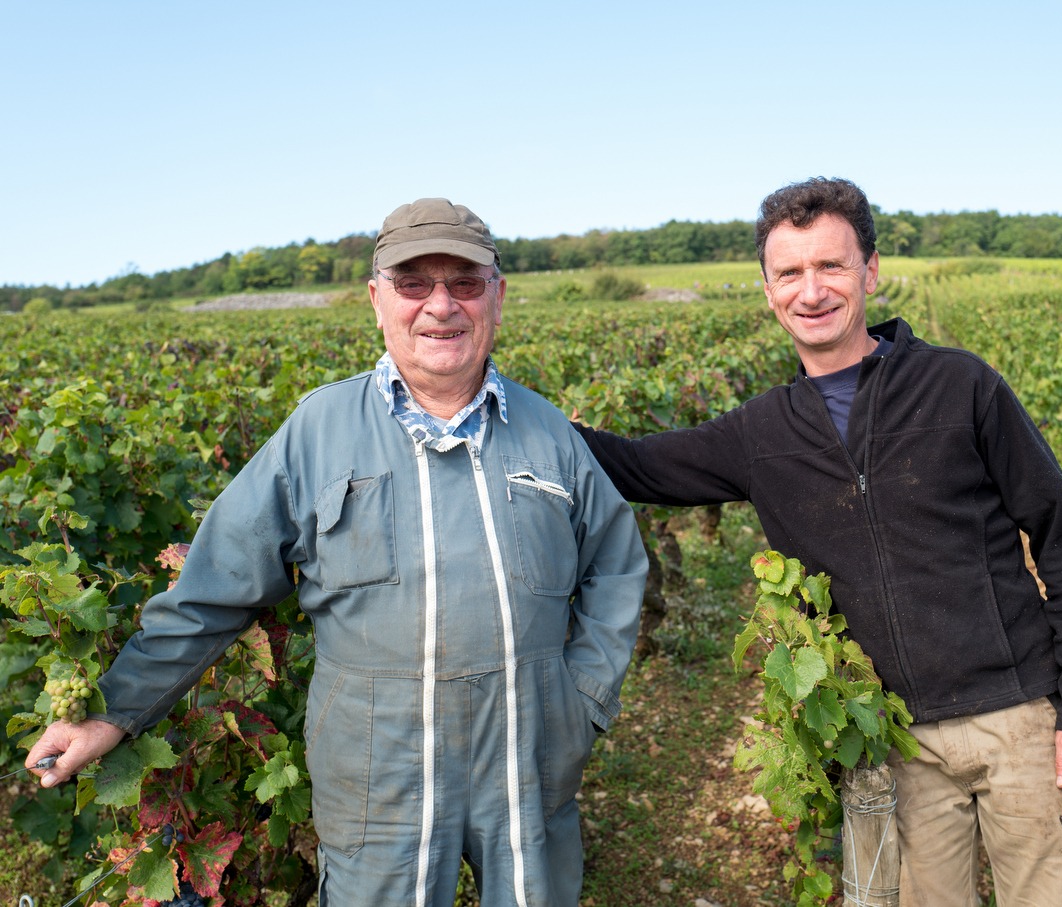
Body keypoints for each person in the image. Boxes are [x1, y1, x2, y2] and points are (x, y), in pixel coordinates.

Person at [28, 198, 648, 907]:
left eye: (465, 283)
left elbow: (616, 563)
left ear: (498, 298)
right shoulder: (316, 432)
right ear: (377, 300)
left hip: (531, 752)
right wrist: (111, 712)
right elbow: (213, 588)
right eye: (414, 283)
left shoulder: (550, 433)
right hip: (377, 768)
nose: (440, 306)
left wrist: (583, 699)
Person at [572, 178, 1062, 906]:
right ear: (767, 289)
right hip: (888, 738)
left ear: (869, 271)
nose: (812, 290)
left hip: (1017, 715)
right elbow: (634, 465)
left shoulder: (961, 386)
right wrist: (506, 409)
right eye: (790, 272)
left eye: (831, 266)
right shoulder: (759, 434)